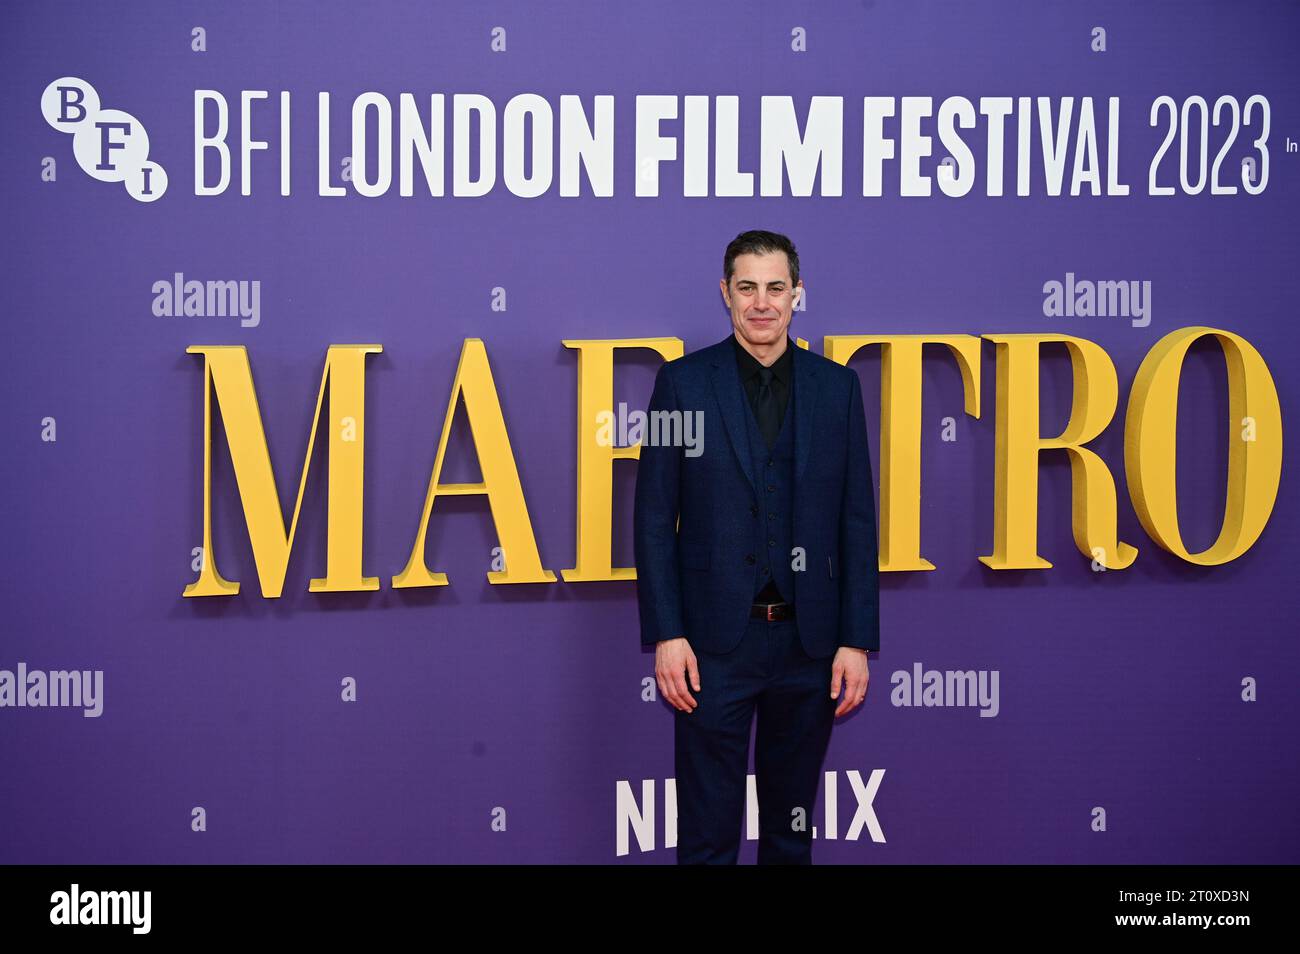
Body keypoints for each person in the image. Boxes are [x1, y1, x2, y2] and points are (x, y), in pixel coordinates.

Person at [633, 229, 880, 864]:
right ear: (725, 294)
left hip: (810, 645)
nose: (762, 302)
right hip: (713, 648)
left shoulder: (838, 389)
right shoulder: (679, 385)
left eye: (776, 288)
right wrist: (667, 633)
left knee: (789, 839)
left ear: (798, 294)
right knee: (707, 838)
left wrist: (855, 638)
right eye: (747, 288)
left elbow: (857, 521)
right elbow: (654, 517)